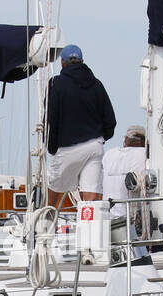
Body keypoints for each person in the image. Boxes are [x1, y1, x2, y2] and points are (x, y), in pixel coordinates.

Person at [45, 44, 116, 209]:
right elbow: (110, 120)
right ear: (82, 61)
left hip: (67, 148)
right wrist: (100, 136)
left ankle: (47, 222)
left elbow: (50, 118)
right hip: (94, 146)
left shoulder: (56, 84)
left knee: (55, 188)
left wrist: (52, 147)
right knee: (90, 196)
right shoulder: (97, 85)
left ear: (62, 63)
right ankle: (90, 229)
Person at [101, 126, 146, 219]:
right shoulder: (145, 154)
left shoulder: (109, 154)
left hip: (107, 215)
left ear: (126, 139)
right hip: (133, 218)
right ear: (145, 141)